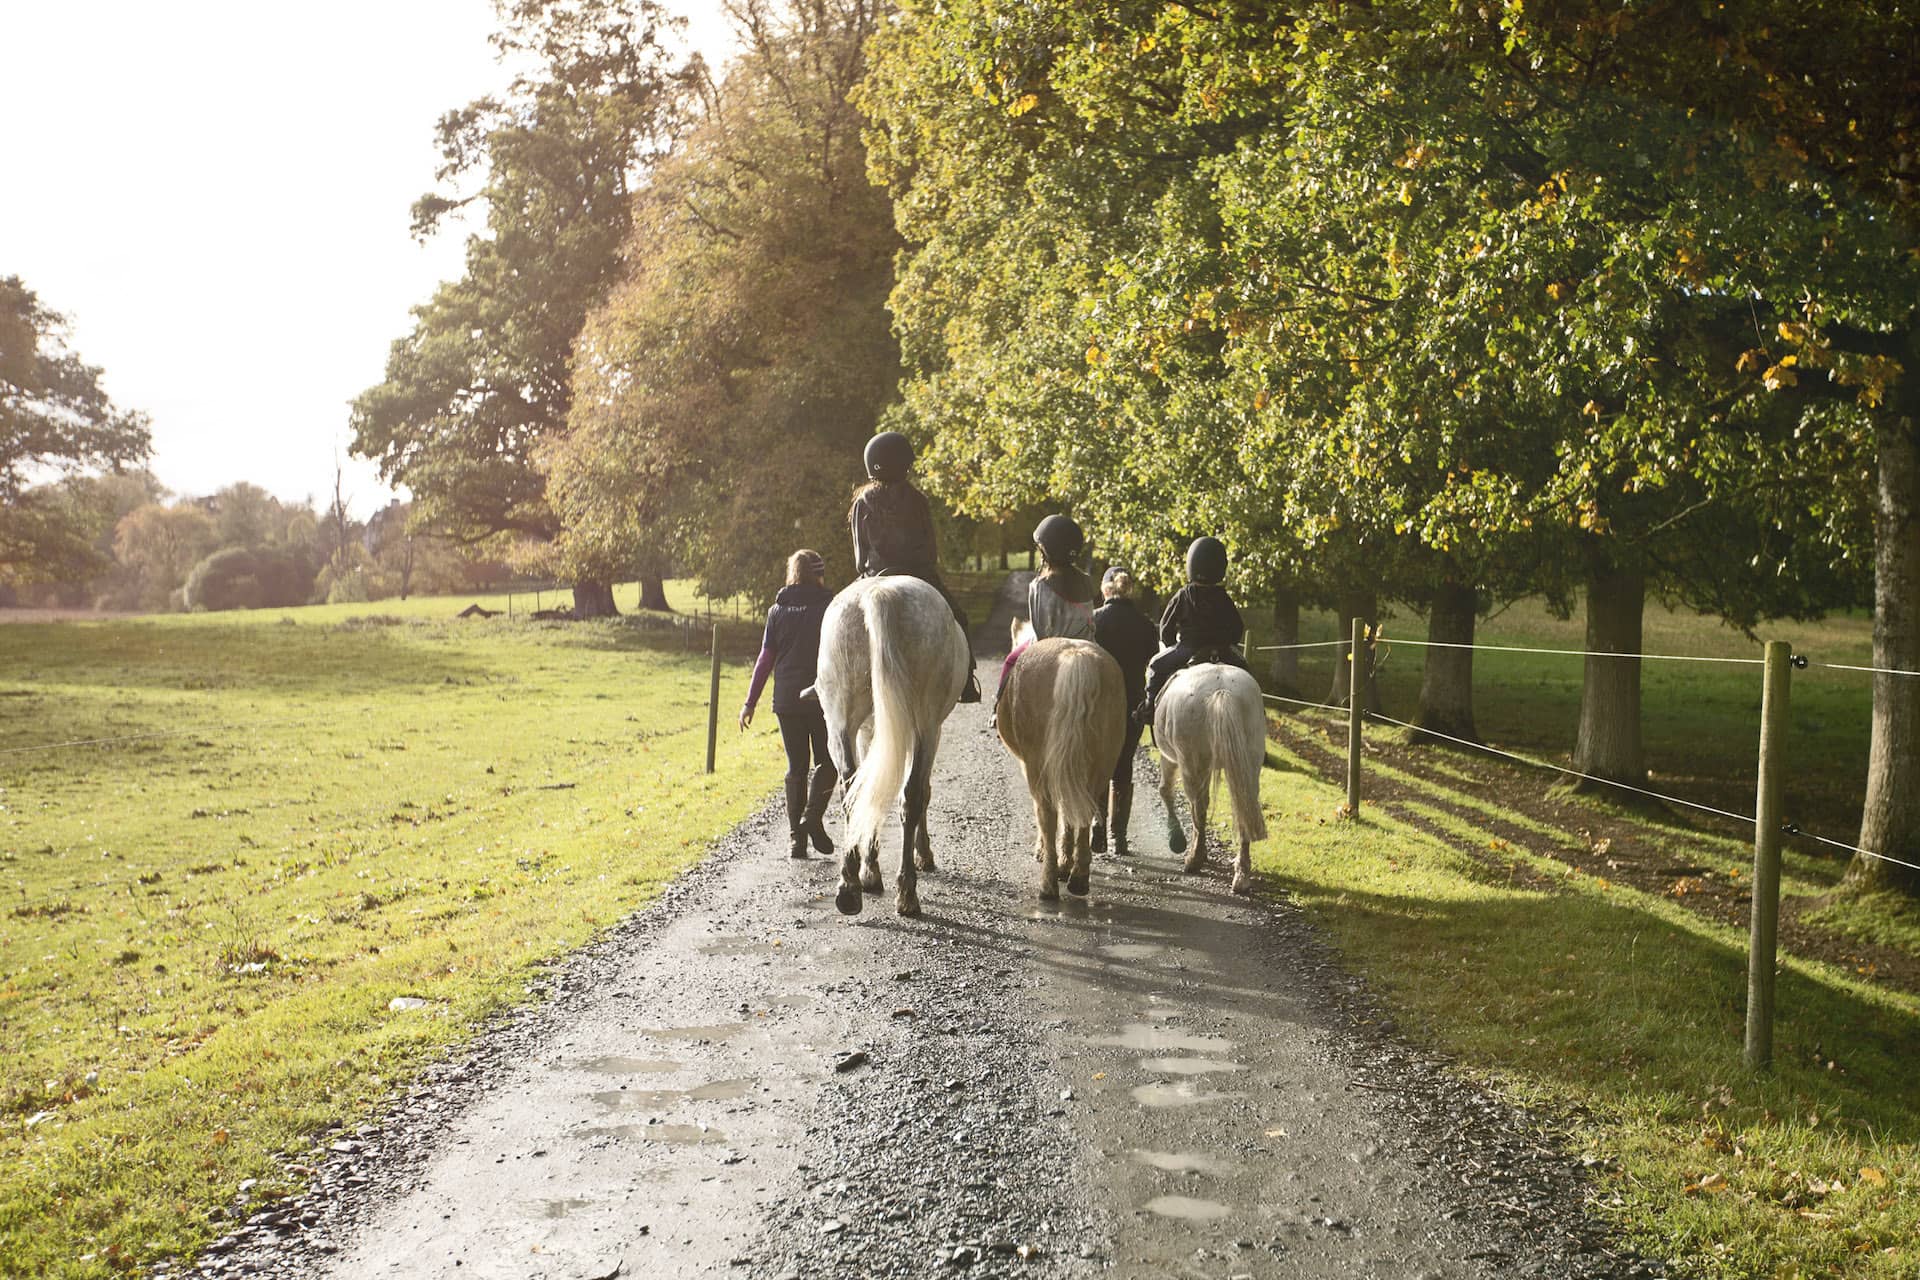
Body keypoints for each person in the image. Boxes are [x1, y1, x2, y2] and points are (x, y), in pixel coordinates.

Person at [847, 431, 982, 702]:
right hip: (918, 575)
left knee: (837, 617)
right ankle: (966, 681)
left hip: (874, 577)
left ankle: (823, 679)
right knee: (960, 618)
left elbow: (860, 557)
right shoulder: (917, 499)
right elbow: (930, 551)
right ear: (905, 465)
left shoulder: (862, 503)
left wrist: (868, 569)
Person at [741, 550, 837, 858]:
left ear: (792, 573)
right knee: (827, 761)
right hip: (820, 697)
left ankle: (796, 839)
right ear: (819, 575)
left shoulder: (777, 611)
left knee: (796, 766)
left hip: (785, 700)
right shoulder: (830, 608)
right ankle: (812, 817)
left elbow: (765, 659)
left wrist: (750, 702)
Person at [1138, 536, 1251, 724]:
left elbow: (1165, 629)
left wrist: (1172, 645)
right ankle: (1257, 715)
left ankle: (1149, 709)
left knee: (1154, 667)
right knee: (1247, 672)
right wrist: (1227, 644)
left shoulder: (1183, 595)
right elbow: (1237, 628)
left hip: (1187, 649)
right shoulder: (1223, 597)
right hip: (1221, 650)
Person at [994, 513, 1097, 711]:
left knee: (1010, 660)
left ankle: (998, 709)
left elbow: (1040, 631)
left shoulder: (1040, 586)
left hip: (1052, 648)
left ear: (1047, 552)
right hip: (1087, 645)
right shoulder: (1086, 580)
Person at [1092, 565, 1157, 855]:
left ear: (1106, 589)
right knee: (1123, 767)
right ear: (1128, 588)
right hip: (1131, 704)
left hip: (1098, 703)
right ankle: (1118, 838)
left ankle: (1097, 826)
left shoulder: (1094, 621)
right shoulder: (1144, 624)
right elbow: (1151, 662)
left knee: (1096, 765)